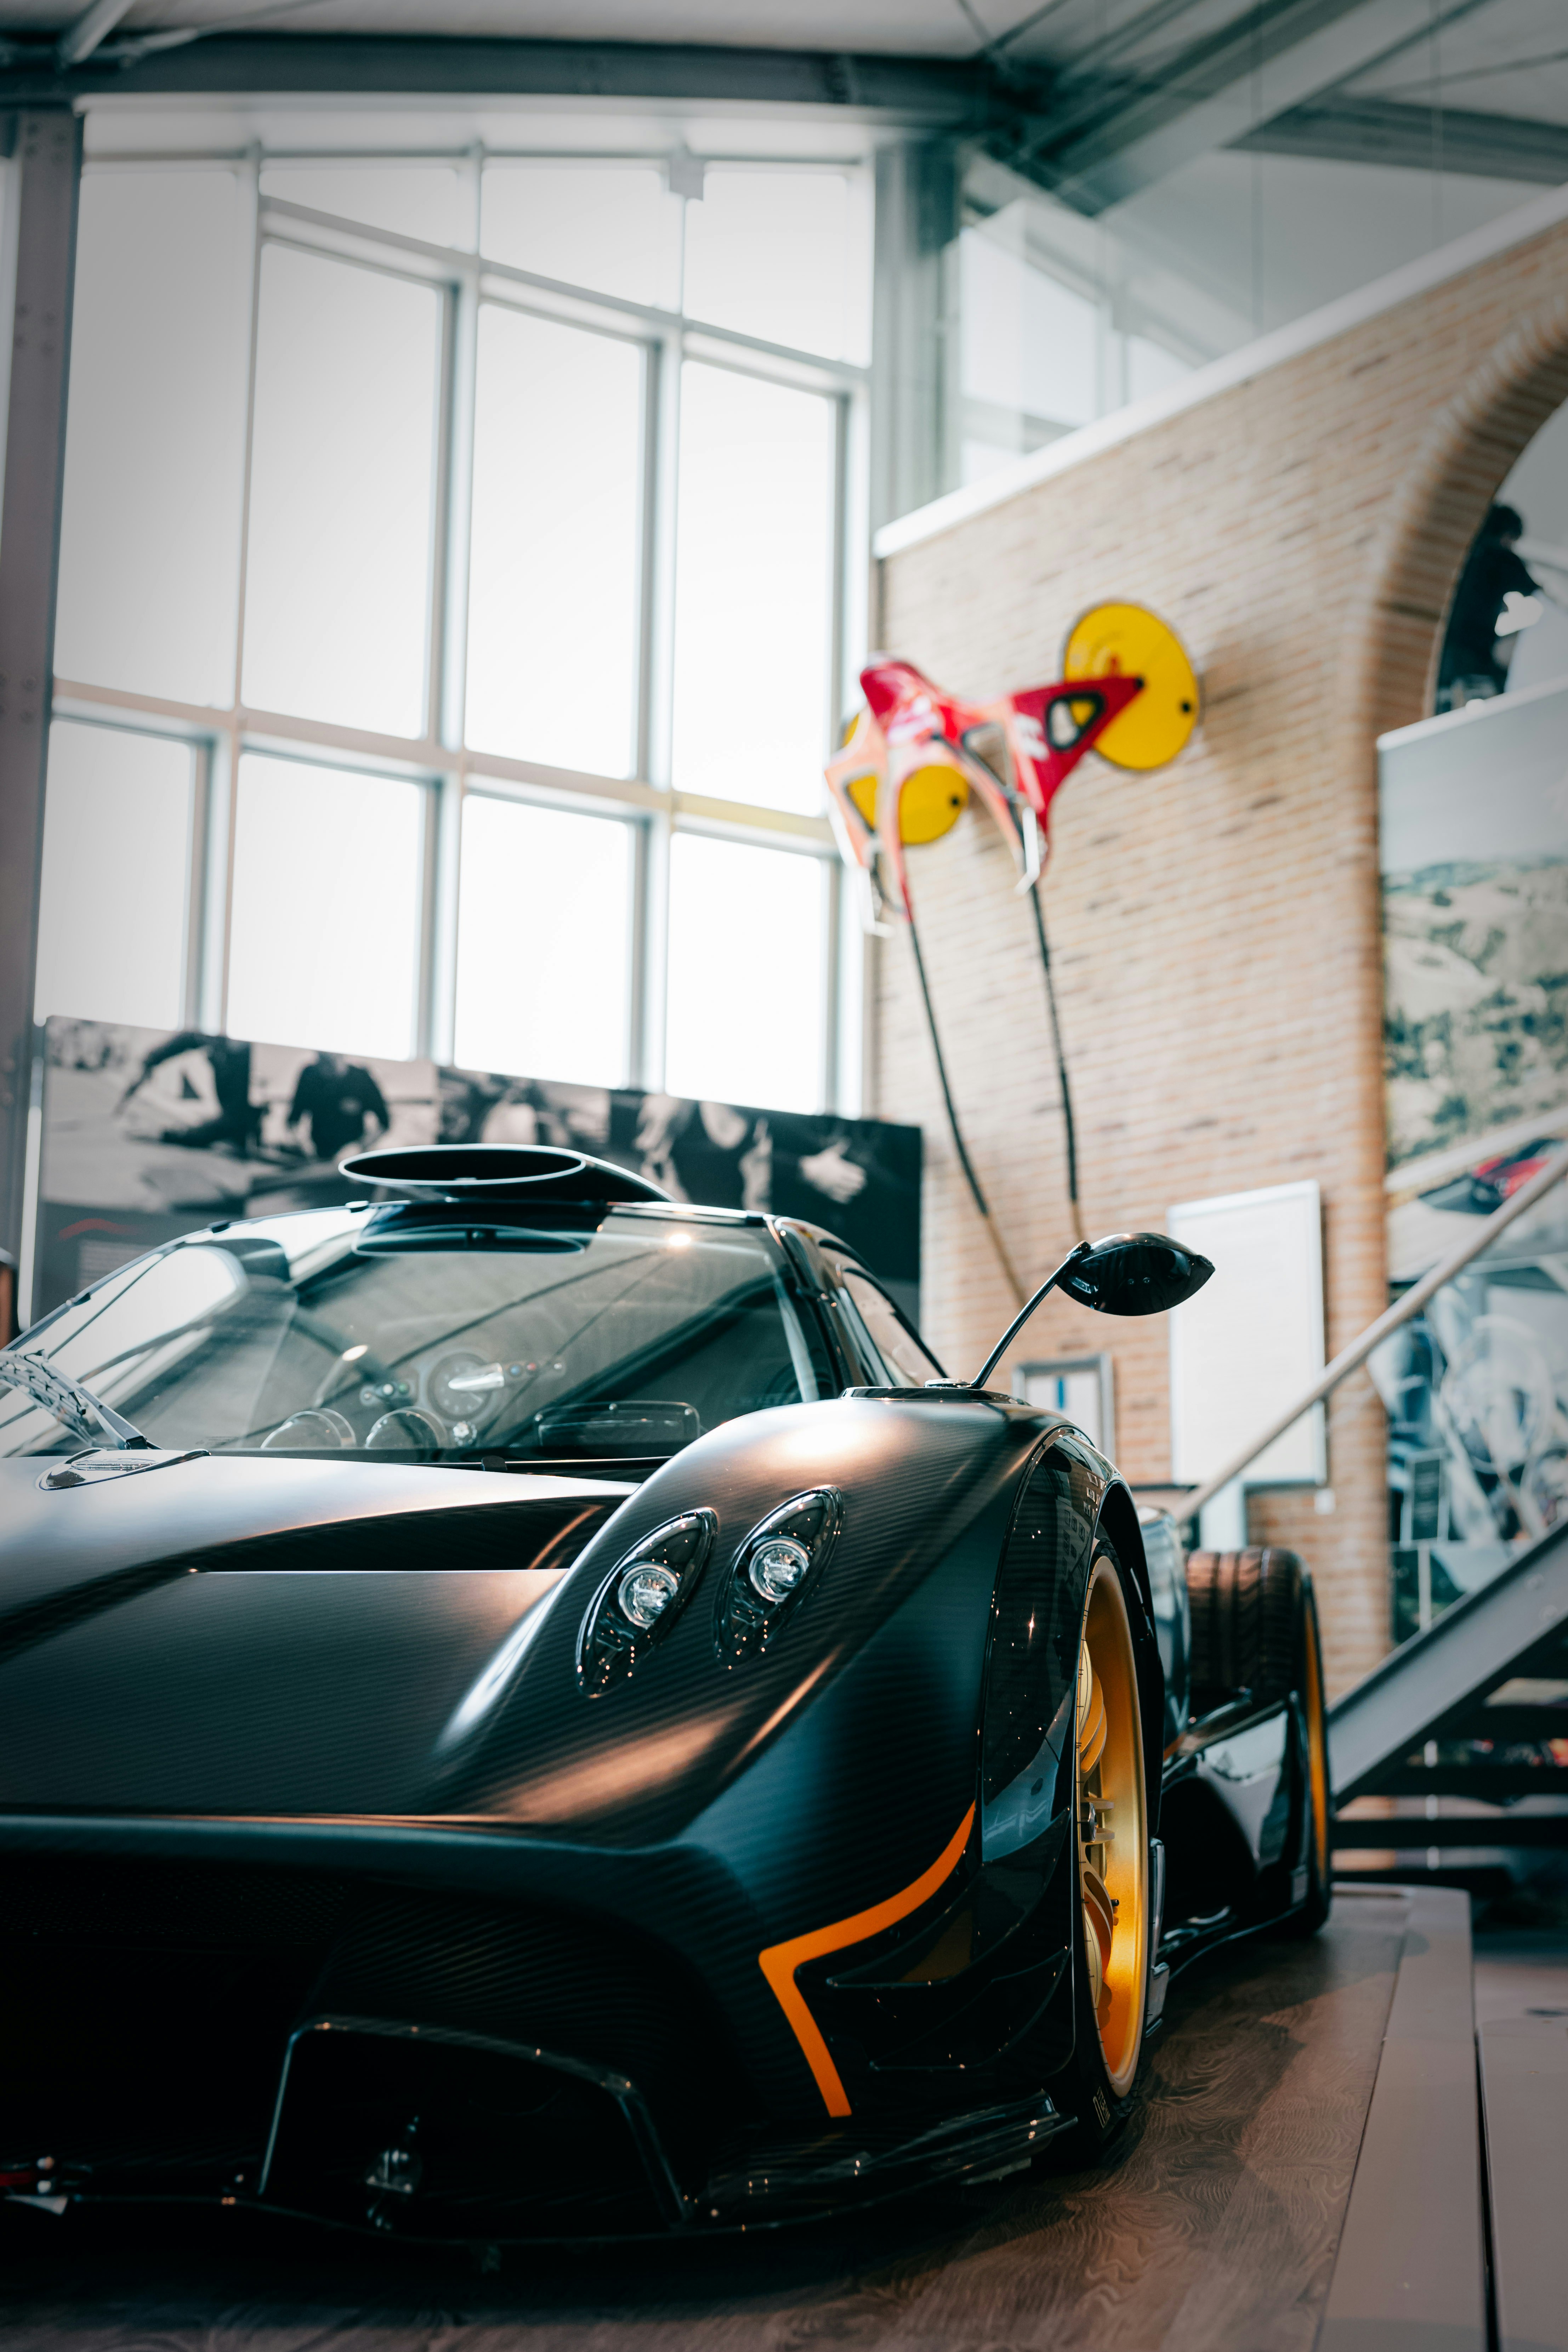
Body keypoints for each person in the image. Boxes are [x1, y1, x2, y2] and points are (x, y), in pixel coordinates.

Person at [1438, 504, 1544, 706]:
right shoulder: (1502, 558)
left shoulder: (1463, 558)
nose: (1512, 545)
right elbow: (1537, 593)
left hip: (1446, 648)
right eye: (1512, 539)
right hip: (1475, 648)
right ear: (1506, 533)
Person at [286, 1051, 389, 1165]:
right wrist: (303, 1145)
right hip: (318, 1157)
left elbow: (384, 1123)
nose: (327, 1071)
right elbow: (293, 1121)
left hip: (354, 1157)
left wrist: (358, 1146)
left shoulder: (362, 1078)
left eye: (331, 1064)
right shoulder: (310, 1075)